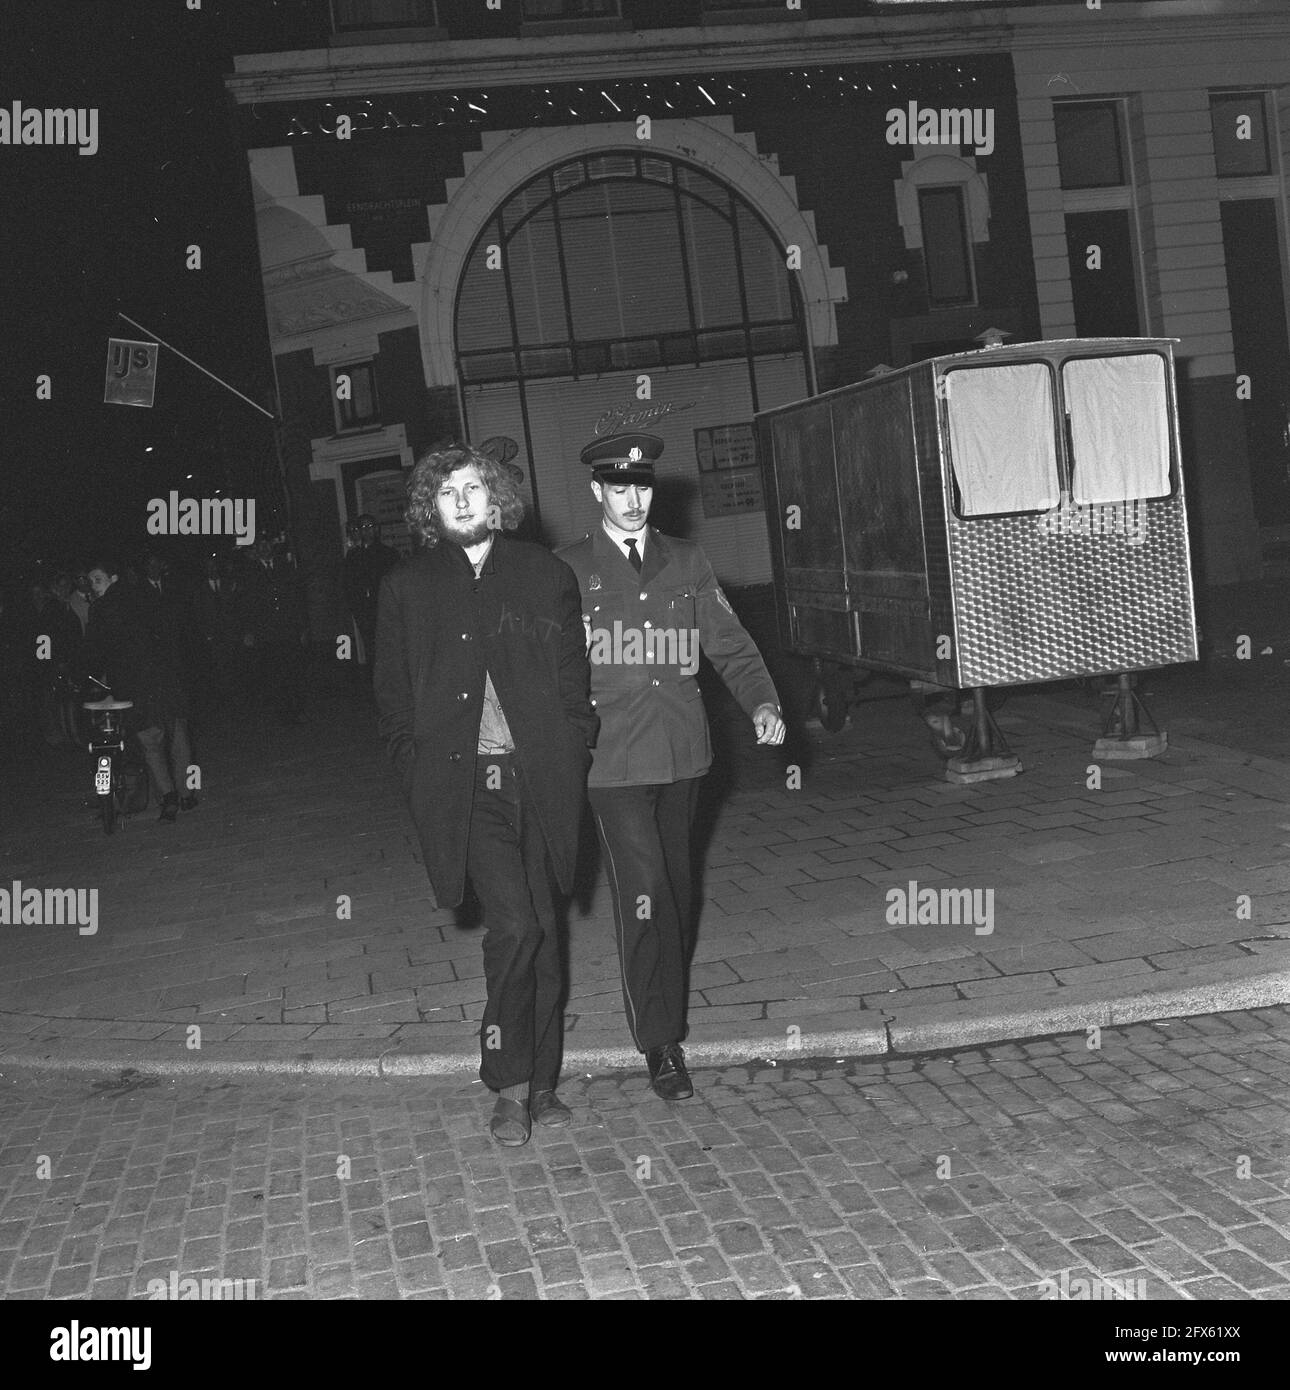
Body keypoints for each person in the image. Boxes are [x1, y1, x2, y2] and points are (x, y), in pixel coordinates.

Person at [374, 443, 596, 1147]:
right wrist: (419, 771)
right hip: (469, 788)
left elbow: (573, 685)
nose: (463, 500)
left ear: (496, 498)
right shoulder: (407, 589)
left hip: (539, 781)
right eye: (447, 493)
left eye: (473, 488)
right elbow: (392, 700)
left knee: (549, 941)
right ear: (430, 512)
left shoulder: (544, 574)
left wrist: (572, 745)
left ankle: (545, 1084)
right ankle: (507, 1083)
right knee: (516, 925)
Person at [555, 433, 786, 1101]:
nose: (633, 500)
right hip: (612, 763)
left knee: (678, 893)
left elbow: (728, 642)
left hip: (683, 755)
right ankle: (660, 1041)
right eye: (619, 488)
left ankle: (660, 1000)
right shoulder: (567, 568)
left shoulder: (686, 560)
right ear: (597, 491)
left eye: (643, 487)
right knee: (647, 891)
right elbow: (551, 669)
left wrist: (762, 702)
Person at [83, 559, 197, 820]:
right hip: (167, 678)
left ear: (113, 579)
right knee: (178, 737)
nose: (92, 586)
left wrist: (84, 677)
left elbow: (95, 649)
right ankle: (186, 794)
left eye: (97, 580)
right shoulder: (148, 597)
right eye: (90, 581)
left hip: (134, 684)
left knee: (151, 742)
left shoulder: (102, 607)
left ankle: (168, 797)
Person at [237, 536, 308, 725]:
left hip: (287, 627)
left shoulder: (284, 567)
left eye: (267, 544)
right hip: (267, 630)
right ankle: (282, 711)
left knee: (293, 669)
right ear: (256, 549)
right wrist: (249, 631)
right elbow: (246, 604)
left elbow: (296, 597)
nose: (265, 548)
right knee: (275, 672)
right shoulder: (250, 572)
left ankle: (297, 708)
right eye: (261, 545)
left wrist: (301, 627)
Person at [342, 514, 400, 682]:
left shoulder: (388, 554)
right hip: (365, 611)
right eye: (362, 528)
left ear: (376, 529)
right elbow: (348, 584)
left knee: (389, 647)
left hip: (385, 610)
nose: (366, 532)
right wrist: (356, 607)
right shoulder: (353, 556)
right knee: (371, 648)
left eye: (369, 527)